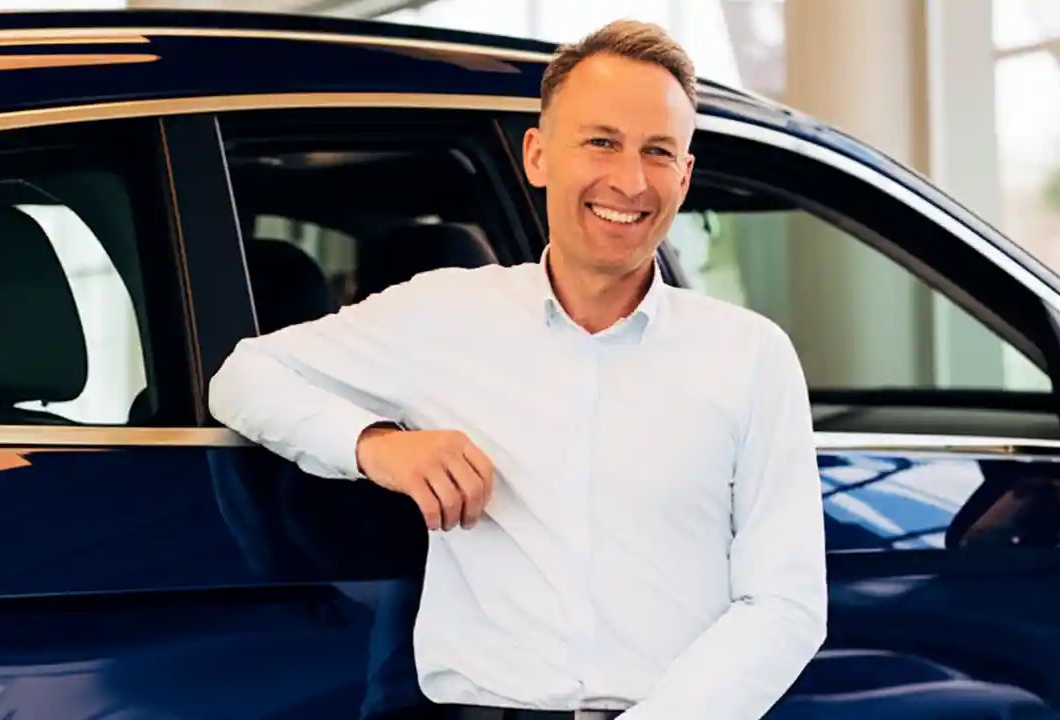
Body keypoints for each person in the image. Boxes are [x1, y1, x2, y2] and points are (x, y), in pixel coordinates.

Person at [209, 19, 827, 720]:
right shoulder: (443, 315)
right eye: (601, 141)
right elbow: (244, 377)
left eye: (658, 151)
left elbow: (785, 604)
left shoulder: (750, 357)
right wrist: (376, 444)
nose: (629, 180)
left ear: (684, 176)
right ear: (537, 155)